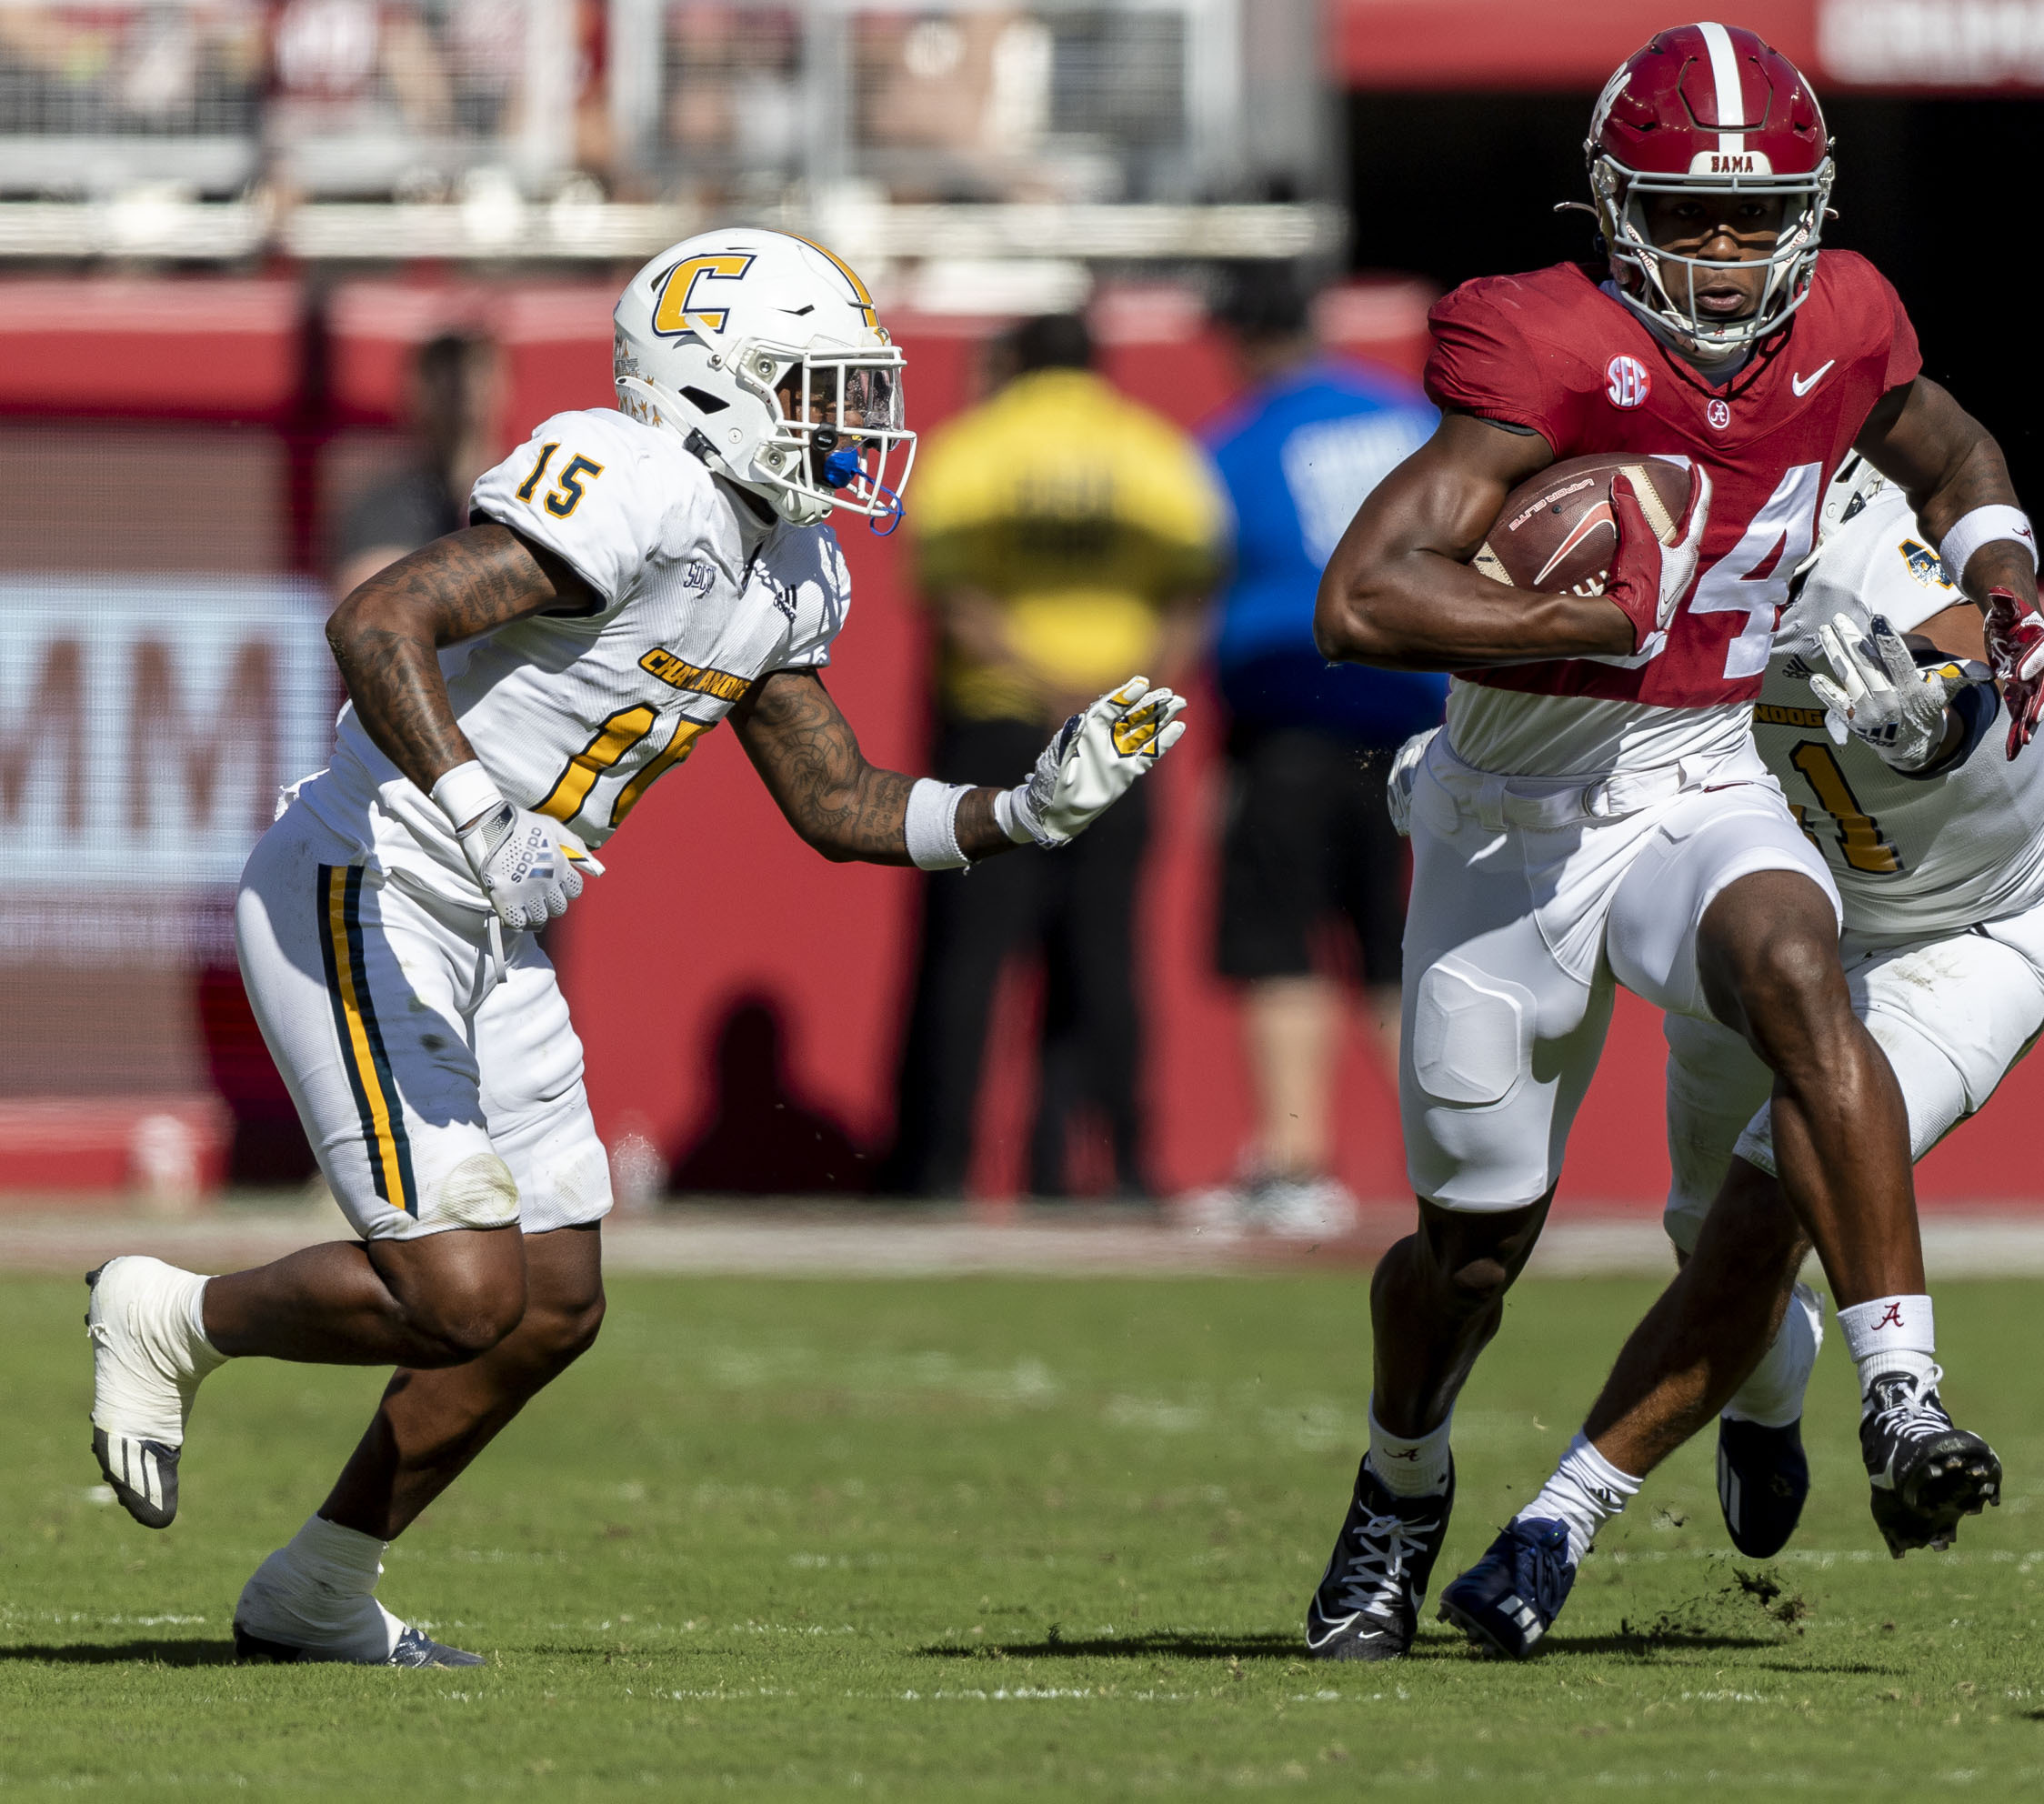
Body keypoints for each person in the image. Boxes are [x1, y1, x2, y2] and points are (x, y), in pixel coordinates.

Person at [81, 229, 1187, 1665]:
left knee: (548, 1311)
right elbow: (382, 621)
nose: (851, 426)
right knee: (460, 1292)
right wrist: (479, 812)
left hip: (493, 920)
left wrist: (1024, 808)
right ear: (712, 388)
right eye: (817, 389)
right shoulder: (635, 480)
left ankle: (316, 1590)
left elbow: (840, 803)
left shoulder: (789, 565)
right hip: (373, 874)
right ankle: (170, 1314)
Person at [1297, 22, 2044, 1662]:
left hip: (1698, 771)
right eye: (1686, 215)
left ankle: (1903, 1386)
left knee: (1798, 963)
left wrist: (1996, 571)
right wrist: (1550, 610)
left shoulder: (1844, 314)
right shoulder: (1547, 345)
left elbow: (1936, 438)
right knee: (1474, 1245)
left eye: (1753, 214)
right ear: (1611, 205)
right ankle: (1400, 1472)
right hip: (1508, 823)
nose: (1724, 253)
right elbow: (1357, 598)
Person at [1437, 453, 2044, 1656]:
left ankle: (1555, 1528)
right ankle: (1770, 1395)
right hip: (1775, 916)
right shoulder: (1635, 534)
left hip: (1963, 932)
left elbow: (1978, 653)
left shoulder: (1845, 535)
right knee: (1707, 1244)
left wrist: (1943, 715)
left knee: (1764, 1201)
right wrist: (1474, 765)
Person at [878, 312, 1227, 1202]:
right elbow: (1195, 592)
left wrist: (1043, 685)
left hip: (998, 724)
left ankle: (937, 1167)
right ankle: (1112, 1162)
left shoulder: (975, 448)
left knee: (968, 954)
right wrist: (1117, 692)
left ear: (1018, 364)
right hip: (1118, 733)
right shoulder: (1153, 452)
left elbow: (953, 594)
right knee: (1106, 950)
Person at [1190, 268, 1446, 1237]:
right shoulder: (1404, 423)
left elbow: (1212, 584)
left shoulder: (1236, 444)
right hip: (1412, 721)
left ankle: (1296, 1164)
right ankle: (1450, 1171)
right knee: (1395, 951)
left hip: (1292, 715)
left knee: (1283, 943)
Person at [334, 330, 510, 598]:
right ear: (416, 388)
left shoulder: (527, 497)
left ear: (505, 384)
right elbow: (370, 607)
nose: (459, 386)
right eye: (441, 371)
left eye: (477, 369)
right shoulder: (384, 507)